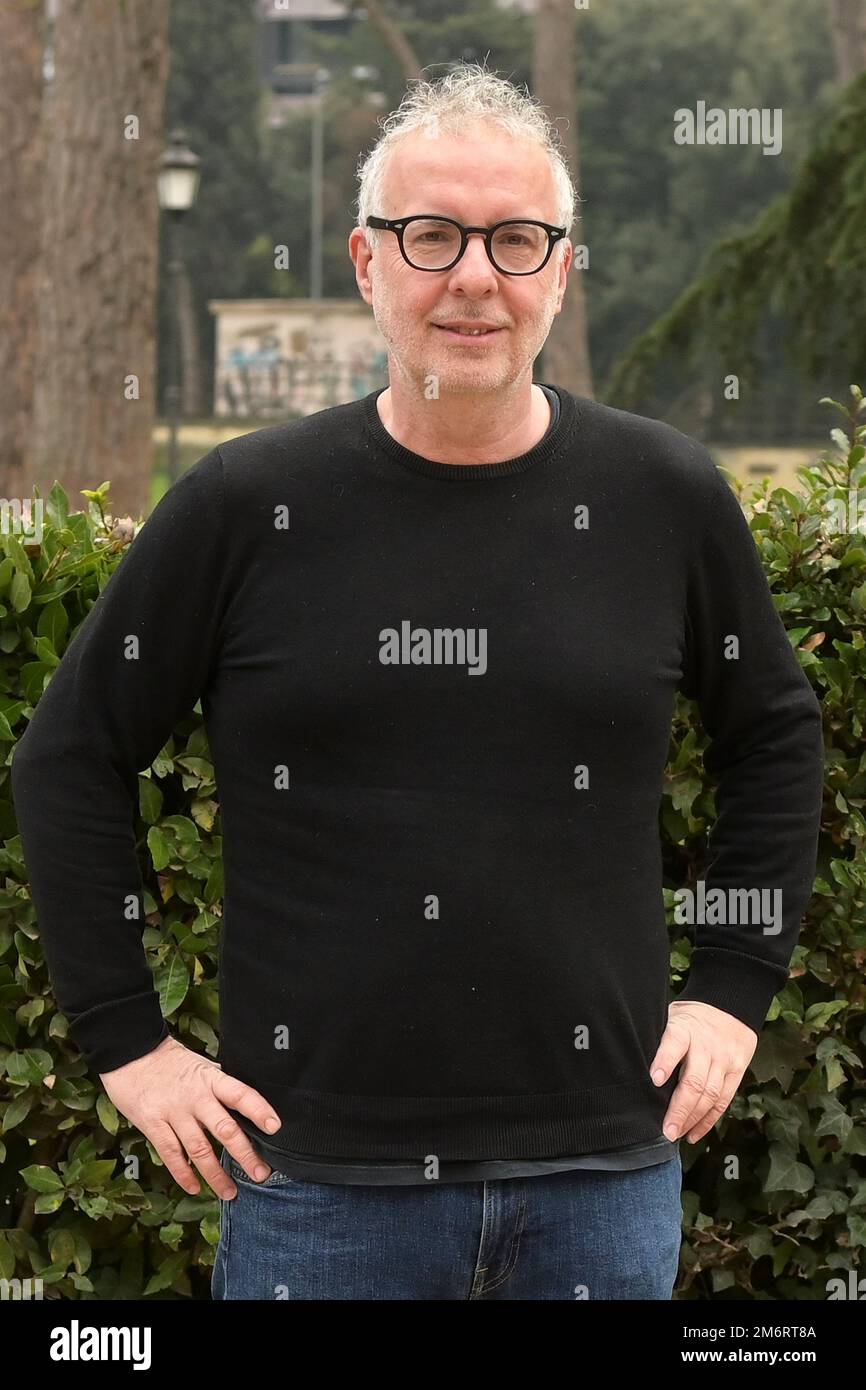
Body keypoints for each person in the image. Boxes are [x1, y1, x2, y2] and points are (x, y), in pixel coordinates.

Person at [11, 63, 825, 1301]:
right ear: (364, 260)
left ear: (560, 267)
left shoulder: (664, 499)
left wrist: (731, 987)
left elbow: (770, 735)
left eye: (514, 238)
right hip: (319, 1194)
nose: (473, 275)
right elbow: (69, 755)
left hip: (601, 1182)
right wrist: (131, 1044)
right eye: (431, 234)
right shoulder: (244, 505)